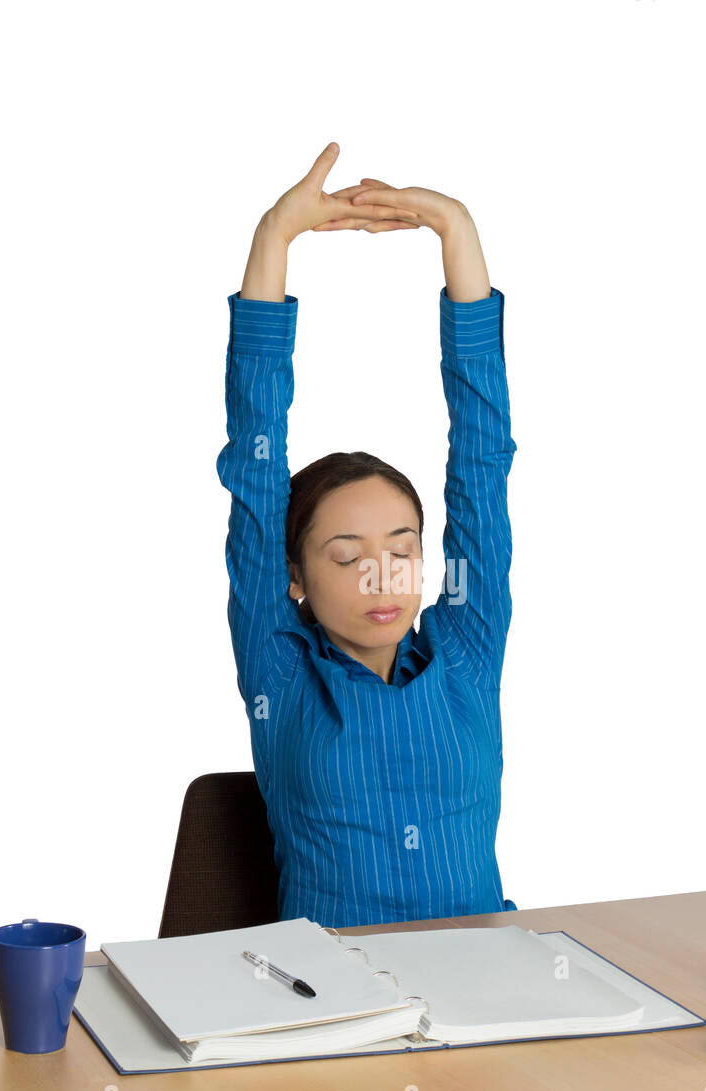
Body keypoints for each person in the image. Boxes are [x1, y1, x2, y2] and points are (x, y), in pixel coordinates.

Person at [217, 141, 519, 928]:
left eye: (402, 548)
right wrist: (273, 240)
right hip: (329, 1004)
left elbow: (482, 464)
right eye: (346, 558)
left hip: (487, 986)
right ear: (295, 577)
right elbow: (256, 467)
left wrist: (457, 232)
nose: (382, 576)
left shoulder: (468, 648)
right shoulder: (279, 671)